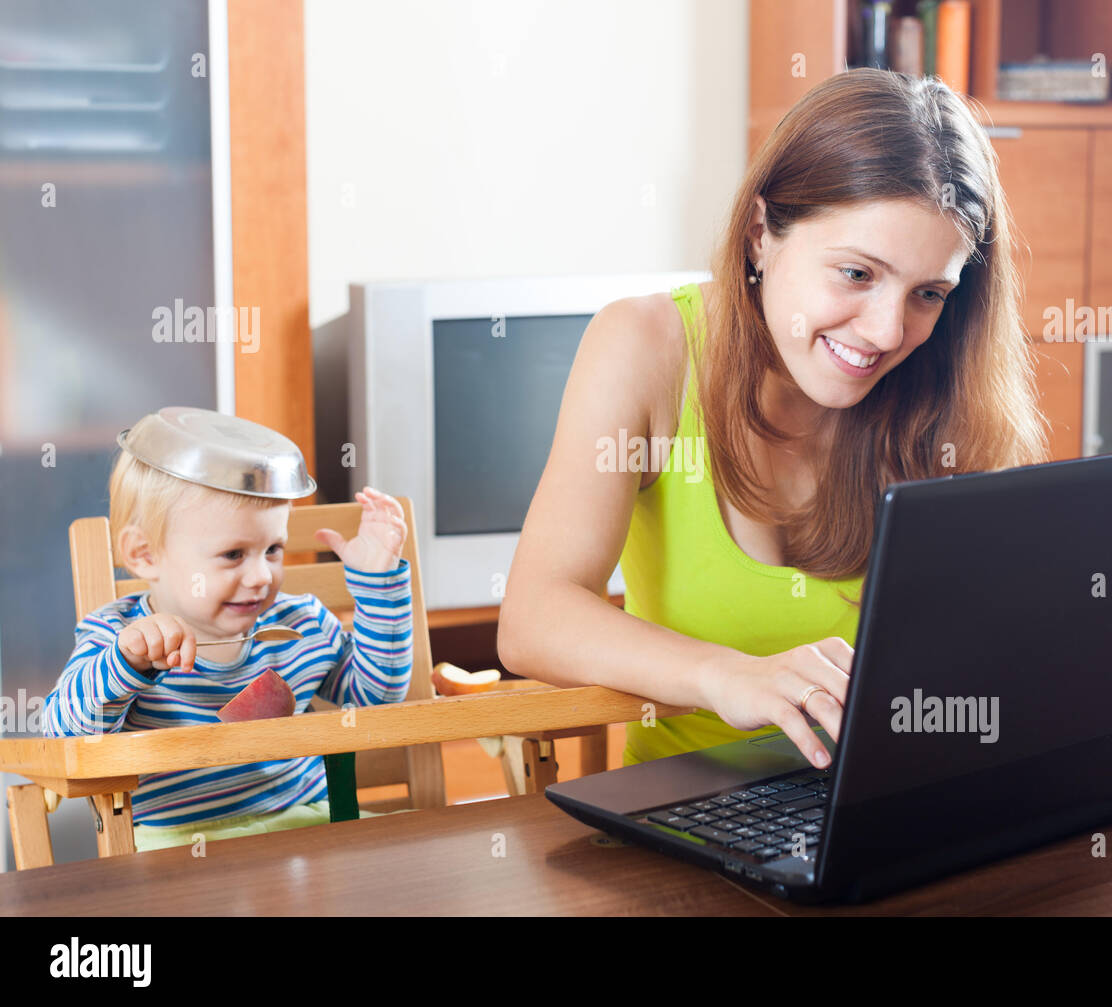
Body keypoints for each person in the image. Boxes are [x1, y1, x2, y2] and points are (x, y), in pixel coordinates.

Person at [497, 68, 1048, 770]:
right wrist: (726, 674)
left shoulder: (945, 389)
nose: (886, 331)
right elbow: (534, 617)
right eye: (856, 273)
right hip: (687, 809)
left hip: (889, 799)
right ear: (760, 234)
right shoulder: (645, 347)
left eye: (929, 292)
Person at [43, 412, 414, 851]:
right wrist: (126, 663)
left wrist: (377, 583)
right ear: (144, 554)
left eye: (273, 549)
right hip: (178, 847)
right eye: (233, 554)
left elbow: (376, 697)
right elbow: (64, 733)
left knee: (413, 854)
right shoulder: (118, 636)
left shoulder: (301, 625)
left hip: (309, 823)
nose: (261, 576)